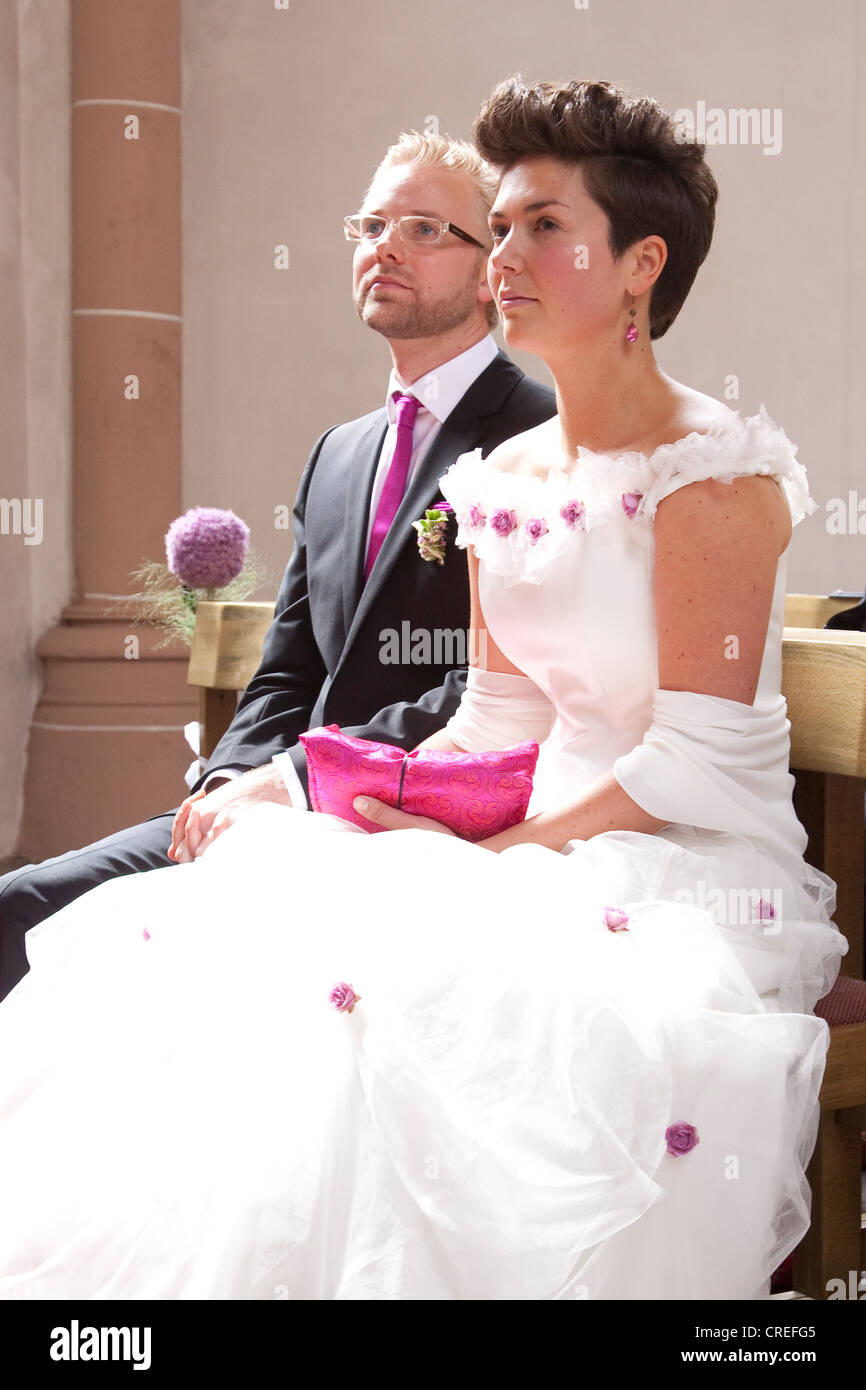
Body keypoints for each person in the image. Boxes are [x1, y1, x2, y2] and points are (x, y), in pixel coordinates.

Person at [0, 76, 847, 1301]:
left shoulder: (709, 474)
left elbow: (693, 765)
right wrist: (368, 807)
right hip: (534, 832)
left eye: (542, 226)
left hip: (683, 861)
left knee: (416, 1004)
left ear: (637, 265)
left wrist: (497, 858)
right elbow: (493, 720)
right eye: (497, 225)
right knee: (238, 919)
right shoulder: (501, 474)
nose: (505, 253)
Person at [0, 131, 555, 999]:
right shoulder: (339, 454)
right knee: (22, 908)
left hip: (417, 825)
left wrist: (295, 780)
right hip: (274, 800)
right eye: (372, 225)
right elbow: (288, 668)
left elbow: (507, 688)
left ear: (492, 268)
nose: (385, 247)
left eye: (424, 229)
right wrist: (228, 781)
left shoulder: (539, 438)